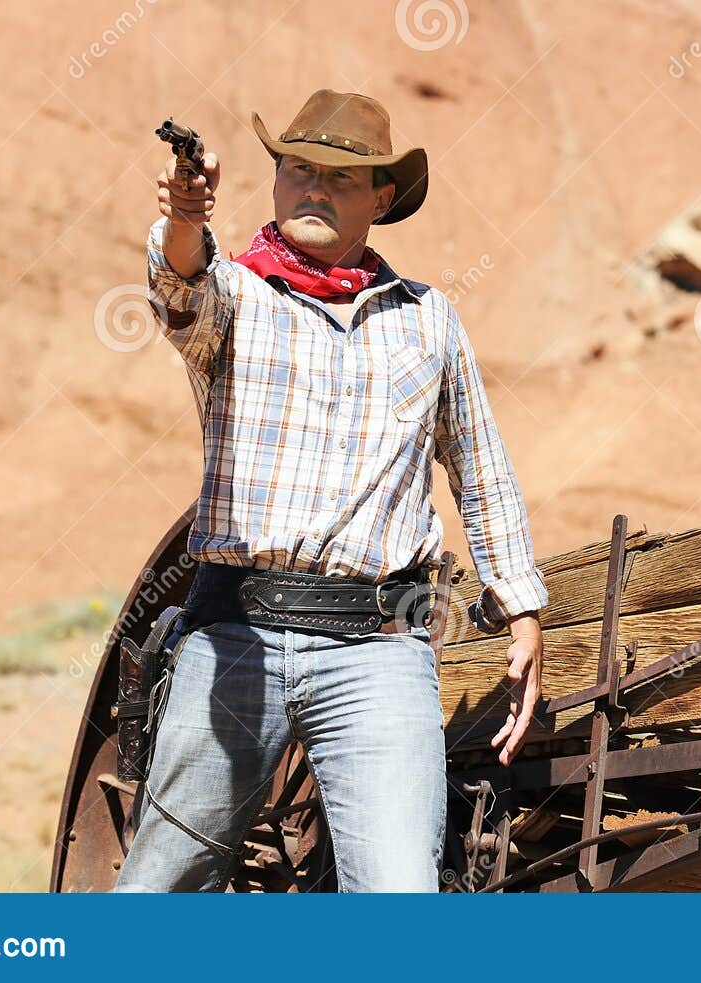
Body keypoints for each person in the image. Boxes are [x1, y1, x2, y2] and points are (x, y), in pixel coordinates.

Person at [113, 89, 547, 893]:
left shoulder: (428, 320)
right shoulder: (236, 298)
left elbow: (479, 463)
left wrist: (519, 604)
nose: (314, 188)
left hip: (379, 650)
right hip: (233, 637)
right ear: (275, 182)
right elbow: (179, 290)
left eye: (341, 179)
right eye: (299, 169)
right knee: (160, 887)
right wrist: (183, 217)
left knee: (397, 895)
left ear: (381, 200)